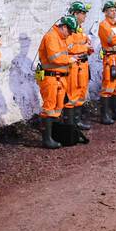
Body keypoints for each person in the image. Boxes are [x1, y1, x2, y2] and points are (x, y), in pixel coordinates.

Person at [37, 13, 80, 147]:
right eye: (70, 31)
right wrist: (69, 59)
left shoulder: (60, 38)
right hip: (51, 78)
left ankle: (53, 137)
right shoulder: (51, 36)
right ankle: (46, 139)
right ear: (64, 27)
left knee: (57, 108)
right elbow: (53, 58)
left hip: (59, 78)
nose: (70, 34)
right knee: (49, 108)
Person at [67, 2, 93, 129]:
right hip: (74, 66)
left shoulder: (80, 30)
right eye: (83, 13)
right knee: (72, 93)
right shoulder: (69, 29)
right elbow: (69, 47)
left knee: (82, 92)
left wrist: (89, 48)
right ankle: (70, 123)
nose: (85, 16)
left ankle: (76, 121)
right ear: (75, 14)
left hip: (83, 64)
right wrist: (84, 46)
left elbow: (81, 46)